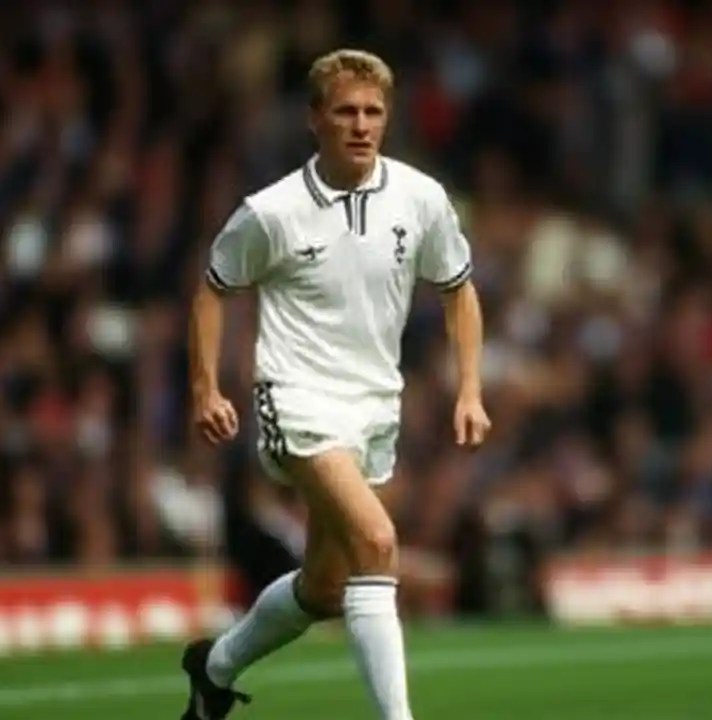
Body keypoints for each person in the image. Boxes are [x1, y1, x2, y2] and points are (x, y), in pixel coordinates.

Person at [181, 48, 490, 720]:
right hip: (295, 398)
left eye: (373, 111)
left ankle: (216, 667)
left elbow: (459, 290)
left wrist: (470, 388)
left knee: (325, 586)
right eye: (346, 111)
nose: (361, 124)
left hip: (373, 405)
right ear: (315, 118)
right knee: (377, 543)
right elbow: (212, 291)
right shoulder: (272, 212)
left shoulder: (420, 197)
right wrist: (206, 388)